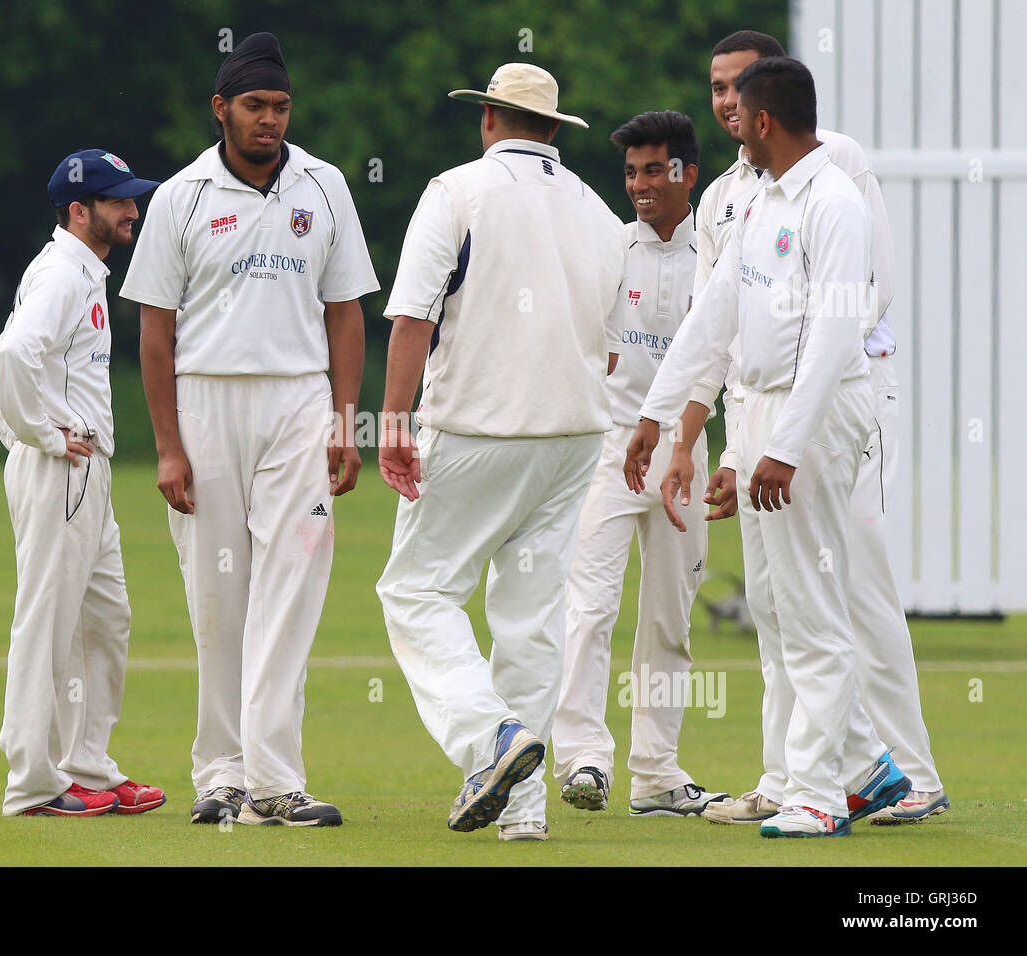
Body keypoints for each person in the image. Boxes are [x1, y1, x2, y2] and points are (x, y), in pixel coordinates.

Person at [628, 57, 911, 837]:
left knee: (811, 608)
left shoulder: (834, 202)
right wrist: (657, 417)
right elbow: (713, 316)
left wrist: (784, 445)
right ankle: (863, 766)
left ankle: (819, 797)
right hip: (763, 412)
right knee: (779, 607)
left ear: (762, 122)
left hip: (814, 416)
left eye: (740, 114)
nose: (732, 126)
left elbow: (833, 334)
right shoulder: (757, 200)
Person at [120, 32, 377, 827]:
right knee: (218, 597)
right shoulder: (181, 196)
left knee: (291, 587)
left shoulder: (325, 185)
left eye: (280, 107)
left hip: (299, 403)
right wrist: (167, 445)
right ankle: (221, 775)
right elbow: (155, 332)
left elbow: (347, 313)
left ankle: (274, 780)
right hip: (206, 406)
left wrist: (347, 422)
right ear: (221, 109)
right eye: (255, 106)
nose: (270, 121)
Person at [376, 63, 626, 842]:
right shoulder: (597, 210)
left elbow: (414, 317)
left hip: (482, 427)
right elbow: (610, 351)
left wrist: (392, 422)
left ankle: (492, 741)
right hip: (577, 435)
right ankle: (523, 813)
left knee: (416, 593)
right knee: (530, 614)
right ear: (553, 129)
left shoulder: (455, 191)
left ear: (489, 119)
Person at [551, 111, 729, 818]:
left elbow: (718, 364)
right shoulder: (609, 249)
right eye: (631, 172)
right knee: (589, 606)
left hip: (685, 450)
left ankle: (655, 773)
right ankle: (585, 759)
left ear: (686, 172)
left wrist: (686, 440)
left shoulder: (715, 256)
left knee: (669, 621)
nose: (640, 185)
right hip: (612, 450)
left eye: (654, 170)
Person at [0, 148, 167, 817]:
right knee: (48, 623)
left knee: (105, 619)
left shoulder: (81, 272)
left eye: (132, 198)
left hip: (85, 474)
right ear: (78, 210)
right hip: (61, 469)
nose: (132, 210)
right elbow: (10, 357)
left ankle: (85, 762)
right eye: (118, 200)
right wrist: (39, 433)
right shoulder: (64, 273)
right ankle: (32, 783)